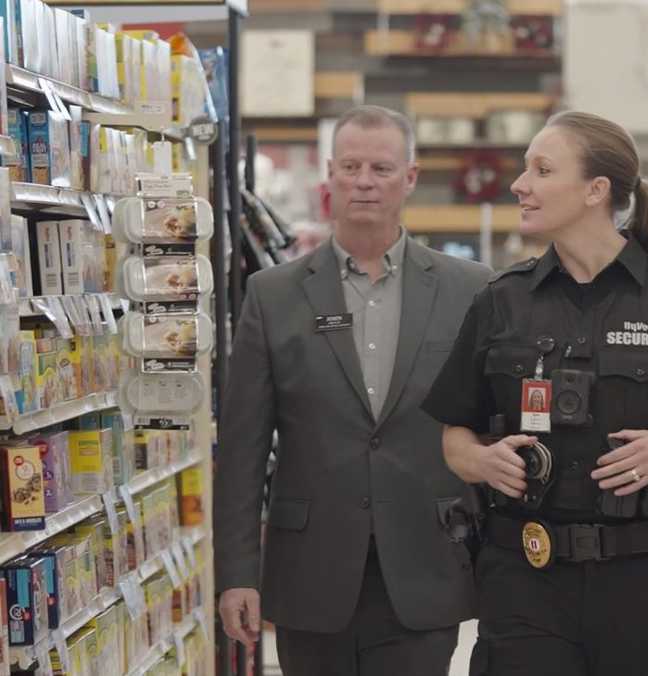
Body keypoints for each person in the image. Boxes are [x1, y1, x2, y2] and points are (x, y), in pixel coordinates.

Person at [421, 111, 648, 676]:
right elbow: (453, 433)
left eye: (541, 169)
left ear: (595, 190)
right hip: (526, 579)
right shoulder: (502, 301)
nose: (520, 184)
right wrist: (482, 461)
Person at [214, 104, 491, 675]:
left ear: (410, 178)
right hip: (308, 573)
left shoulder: (471, 290)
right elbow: (241, 451)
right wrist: (237, 574)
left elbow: (489, 426)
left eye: (382, 168)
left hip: (426, 565)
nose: (365, 181)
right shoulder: (272, 296)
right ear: (329, 175)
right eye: (352, 166)